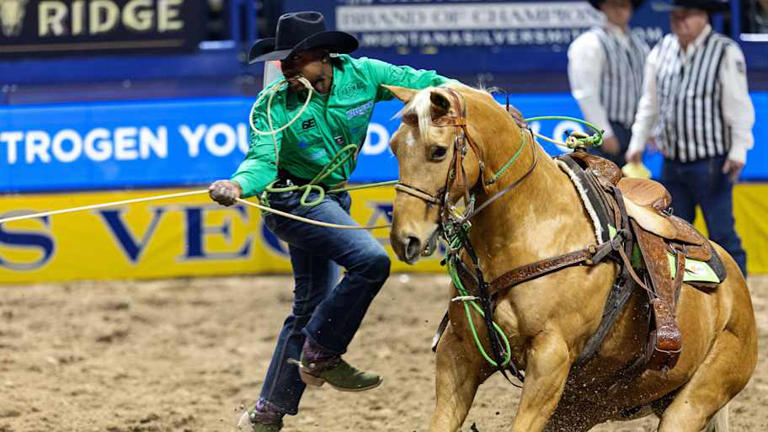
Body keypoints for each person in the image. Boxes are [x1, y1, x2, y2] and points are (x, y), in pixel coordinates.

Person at [208, 11, 453, 432]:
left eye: (294, 60)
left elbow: (430, 84)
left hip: (332, 198)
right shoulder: (273, 103)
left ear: (323, 57)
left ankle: (267, 413)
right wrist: (237, 186)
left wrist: (460, 100)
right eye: (282, 62)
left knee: (307, 307)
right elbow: (262, 162)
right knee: (371, 263)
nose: (284, 70)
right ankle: (321, 353)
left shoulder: (366, 75)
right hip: (290, 199)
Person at [626, 0, 754, 276]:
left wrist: (738, 151)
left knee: (722, 234)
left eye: (687, 15)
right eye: (675, 16)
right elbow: (650, 102)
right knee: (672, 232)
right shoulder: (661, 50)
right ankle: (686, 295)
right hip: (671, 161)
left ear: (703, 16)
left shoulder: (724, 51)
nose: (680, 21)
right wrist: (637, 143)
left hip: (711, 162)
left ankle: (739, 294)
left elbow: (738, 104)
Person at [568, 0, 649, 166]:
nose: (620, 11)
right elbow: (585, 93)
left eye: (624, 5)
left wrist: (645, 132)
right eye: (614, 5)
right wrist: (603, 132)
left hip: (634, 129)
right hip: (608, 129)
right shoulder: (590, 43)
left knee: (633, 188)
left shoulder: (640, 45)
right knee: (602, 186)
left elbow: (648, 91)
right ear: (602, 7)